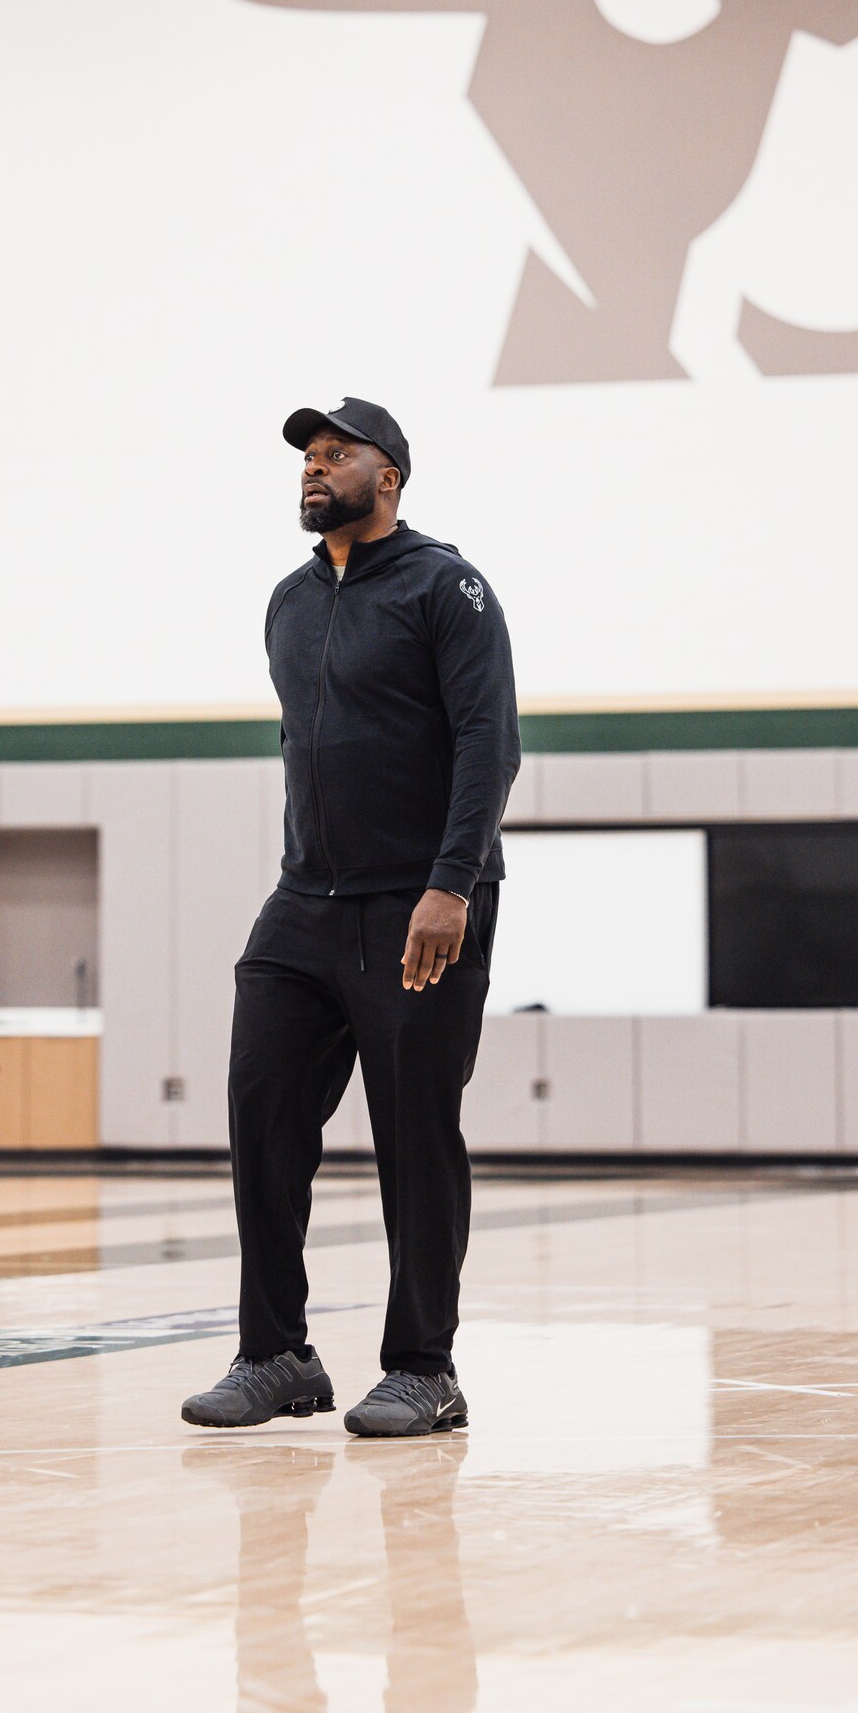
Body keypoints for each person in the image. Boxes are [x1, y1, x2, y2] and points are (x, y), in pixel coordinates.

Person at [182, 397, 520, 1437]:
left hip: (416, 904)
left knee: (414, 1136)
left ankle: (424, 1367)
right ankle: (276, 1352)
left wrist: (448, 886)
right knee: (261, 1123)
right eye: (307, 459)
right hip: (304, 904)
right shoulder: (288, 599)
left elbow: (486, 744)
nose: (314, 471)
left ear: (392, 476)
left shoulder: (444, 587)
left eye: (338, 455)